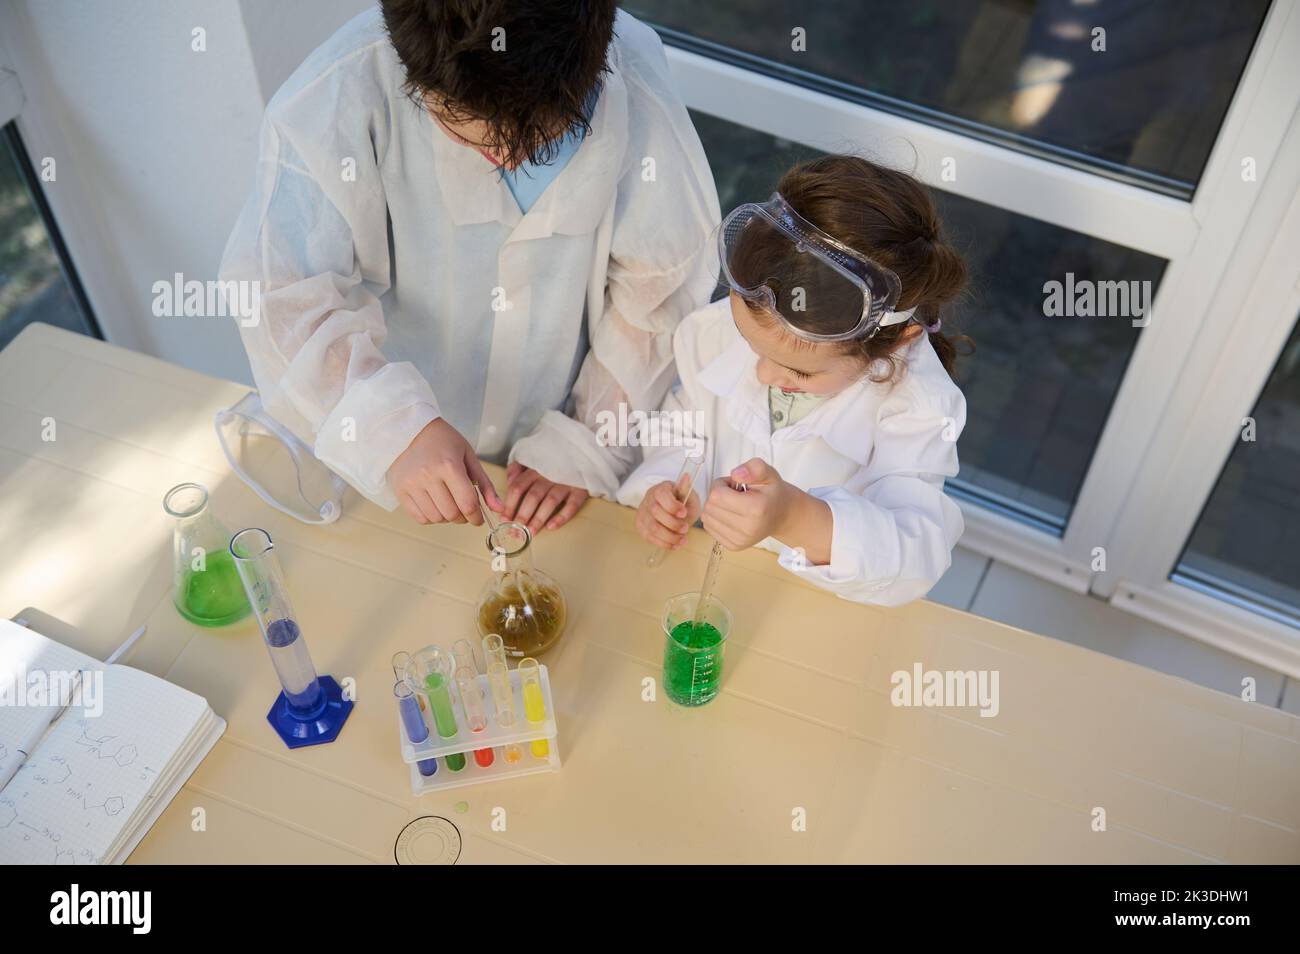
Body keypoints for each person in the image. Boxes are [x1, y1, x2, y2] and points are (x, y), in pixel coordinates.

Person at [219, 1, 719, 532]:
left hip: (553, 437)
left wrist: (587, 441)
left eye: (539, 141)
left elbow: (659, 285)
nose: (505, 161)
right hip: (380, 451)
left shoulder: (632, 79)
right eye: (464, 134)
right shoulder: (338, 90)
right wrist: (393, 429)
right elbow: (284, 293)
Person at [618, 156, 969, 606]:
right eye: (752, 345)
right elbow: (685, 424)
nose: (763, 375)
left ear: (900, 340)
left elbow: (916, 554)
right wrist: (668, 486)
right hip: (726, 581)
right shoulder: (721, 330)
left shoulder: (918, 407)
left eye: (799, 371)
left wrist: (795, 518)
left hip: (818, 608)